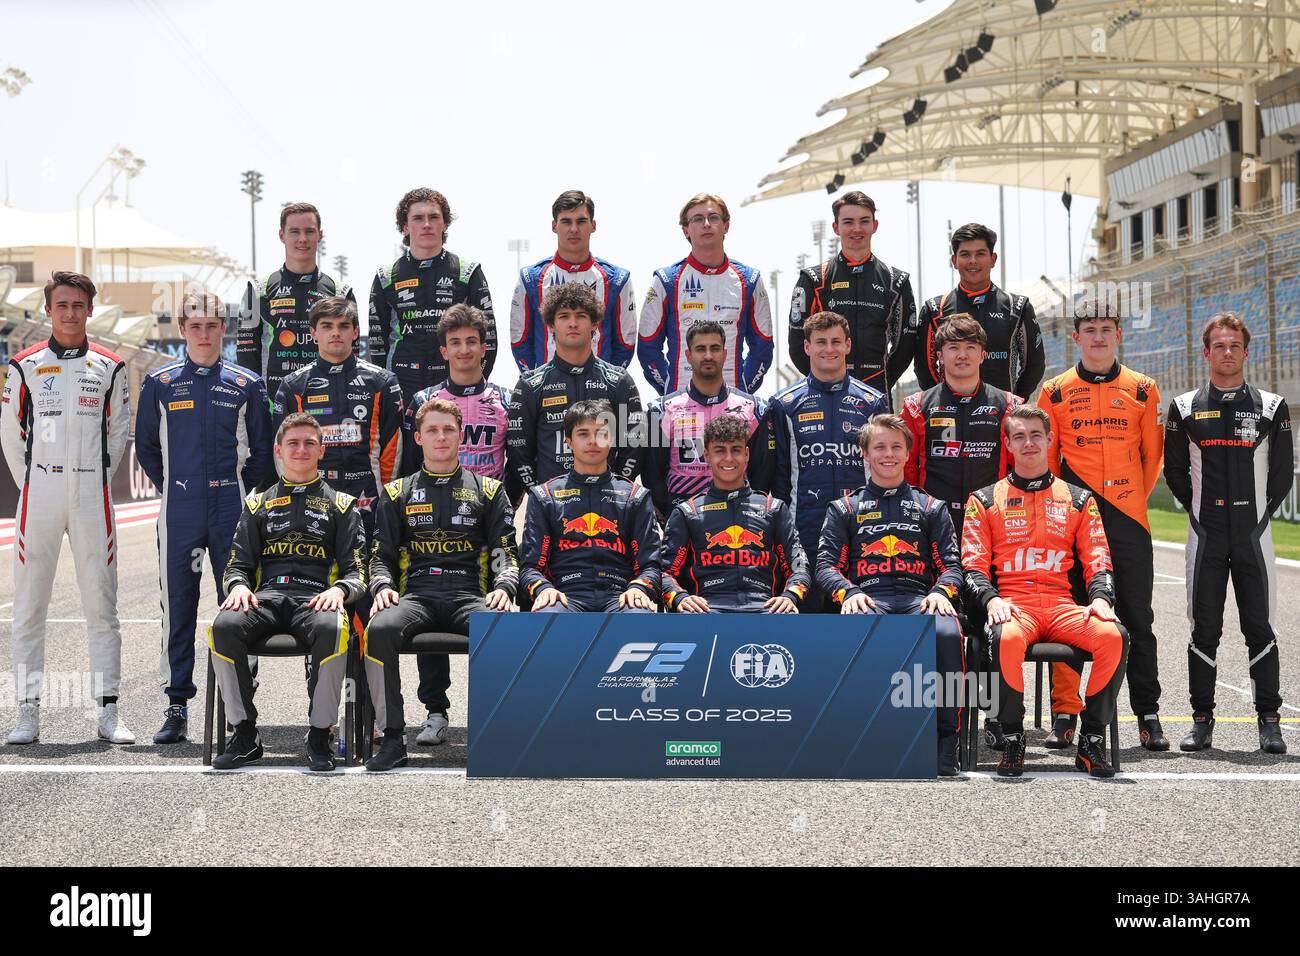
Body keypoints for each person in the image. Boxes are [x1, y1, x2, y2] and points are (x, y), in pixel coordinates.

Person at [135, 293, 274, 745]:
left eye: (212, 325)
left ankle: (241, 705)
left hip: (232, 509)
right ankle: (176, 705)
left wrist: (238, 493)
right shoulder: (159, 382)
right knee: (177, 608)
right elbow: (147, 451)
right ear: (182, 329)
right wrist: (177, 486)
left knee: (239, 604)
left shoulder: (246, 383)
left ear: (224, 329)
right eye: (195, 326)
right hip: (179, 510)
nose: (204, 333)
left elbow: (260, 453)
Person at [2, 271, 133, 745]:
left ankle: (108, 712)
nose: (70, 313)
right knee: (28, 607)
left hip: (90, 497)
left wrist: (91, 478)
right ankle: (28, 712)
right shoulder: (24, 364)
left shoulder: (112, 366)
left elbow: (118, 434)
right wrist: (35, 482)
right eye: (62, 304)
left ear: (90, 310)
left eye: (79, 305)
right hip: (40, 495)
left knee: (102, 605)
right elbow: (10, 435)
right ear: (48, 309)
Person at [962, 405, 1128, 778]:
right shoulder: (984, 499)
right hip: (1014, 605)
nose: (1029, 443)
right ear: (1007, 444)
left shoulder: (1079, 498)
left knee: (1114, 636)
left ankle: (1091, 742)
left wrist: (1101, 599)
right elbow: (972, 564)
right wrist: (991, 601)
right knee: (1003, 638)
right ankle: (1013, 738)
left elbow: (1098, 558)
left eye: (1036, 435)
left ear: (1051, 439)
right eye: (1019, 436)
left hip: (1061, 606)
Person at [364, 398, 519, 769]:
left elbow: (506, 551)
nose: (441, 437)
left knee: (508, 627)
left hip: (469, 594)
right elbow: (380, 553)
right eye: (432, 430)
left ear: (460, 435)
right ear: (418, 437)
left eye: (448, 429)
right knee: (379, 628)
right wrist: (383, 585)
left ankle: (497, 735)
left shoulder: (490, 490)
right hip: (417, 595)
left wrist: (504, 586)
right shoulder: (396, 492)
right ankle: (392, 739)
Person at [1038, 301, 1166, 751]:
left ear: (1119, 335)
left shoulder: (1143, 388)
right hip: (1074, 518)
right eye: (1088, 329)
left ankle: (1148, 713)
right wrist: (1077, 507)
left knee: (1138, 617)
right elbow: (1049, 466)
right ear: (1075, 338)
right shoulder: (1054, 391)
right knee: (1070, 614)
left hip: (1129, 516)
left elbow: (1152, 458)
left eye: (1105, 329)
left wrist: (1126, 498)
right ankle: (1066, 713)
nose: (1097, 337)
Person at [209, 413, 367, 771]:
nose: (301, 449)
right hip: (265, 598)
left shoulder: (342, 505)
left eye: (309, 443)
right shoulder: (257, 503)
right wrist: (236, 586)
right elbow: (237, 565)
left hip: (316, 598)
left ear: (321, 450)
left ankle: (319, 734)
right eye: (292, 443)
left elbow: (359, 571)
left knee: (334, 629)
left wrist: (340, 590)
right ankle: (245, 734)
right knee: (222, 627)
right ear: (278, 450)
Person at [1165, 312, 1293, 755]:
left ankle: (1269, 721)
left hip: (1253, 533)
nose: (1226, 353)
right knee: (1204, 629)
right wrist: (1205, 513)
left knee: (1260, 627)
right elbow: (1176, 475)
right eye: (1218, 346)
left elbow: (1280, 479)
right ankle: (1201, 721)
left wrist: (1254, 516)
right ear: (1206, 352)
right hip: (1206, 533)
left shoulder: (1272, 407)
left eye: (1233, 346)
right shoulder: (1183, 408)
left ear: (1245, 351)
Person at [816, 414, 965, 776]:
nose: (888, 454)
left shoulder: (932, 507)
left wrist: (941, 591)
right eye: (879, 447)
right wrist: (847, 592)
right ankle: (863, 735)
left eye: (896, 447)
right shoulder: (844, 508)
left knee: (948, 634)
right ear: (864, 454)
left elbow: (953, 565)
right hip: (869, 598)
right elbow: (824, 566)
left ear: (907, 453)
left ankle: (946, 741)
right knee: (856, 630)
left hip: (920, 599)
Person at [769, 311, 889, 608]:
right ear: (807, 347)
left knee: (858, 617)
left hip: (860, 527)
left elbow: (885, 467)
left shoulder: (873, 402)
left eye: (836, 341)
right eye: (820, 342)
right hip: (804, 527)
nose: (829, 349)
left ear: (848, 345)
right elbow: (778, 475)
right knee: (807, 619)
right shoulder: (784, 404)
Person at [274, 296, 404, 539]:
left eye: (344, 326)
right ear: (313, 332)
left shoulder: (382, 382)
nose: (336, 333)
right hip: (313, 495)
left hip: (368, 495)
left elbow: (392, 450)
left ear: (355, 332)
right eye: (327, 326)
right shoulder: (293, 386)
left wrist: (387, 498)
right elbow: (282, 451)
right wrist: (294, 495)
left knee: (368, 573)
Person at [520, 400, 660, 613]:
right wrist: (544, 589)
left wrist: (639, 589)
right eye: (583, 434)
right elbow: (530, 567)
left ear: (612, 439)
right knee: (548, 613)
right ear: (568, 441)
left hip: (620, 596)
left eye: (601, 433)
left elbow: (651, 565)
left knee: (639, 614)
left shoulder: (635, 496)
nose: (593, 441)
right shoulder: (544, 496)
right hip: (564, 596)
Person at [660, 414, 808, 613]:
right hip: (706, 610)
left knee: (789, 616)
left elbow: (799, 564)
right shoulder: (688, 512)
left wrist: (790, 596)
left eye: (735, 450)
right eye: (720, 451)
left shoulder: (773, 508)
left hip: (764, 609)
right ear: (706, 455)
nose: (728, 458)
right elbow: (663, 572)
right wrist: (679, 597)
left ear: (747, 454)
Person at [507, 283, 644, 491]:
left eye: (580, 316)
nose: (573, 323)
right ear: (551, 325)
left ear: (594, 324)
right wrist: (542, 496)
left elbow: (635, 445)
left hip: (609, 500)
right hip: (552, 505)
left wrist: (618, 492)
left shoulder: (620, 381)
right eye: (564, 316)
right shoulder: (530, 385)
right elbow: (519, 452)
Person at [787, 191, 917, 406]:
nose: (856, 229)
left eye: (864, 221)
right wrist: (823, 377)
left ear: (874, 226)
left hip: (875, 392)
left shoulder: (896, 281)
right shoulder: (814, 279)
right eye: (848, 222)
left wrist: (882, 380)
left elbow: (906, 345)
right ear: (836, 228)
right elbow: (797, 343)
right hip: (823, 392)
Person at [369, 187, 497, 404]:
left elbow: (489, 338)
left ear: (445, 223)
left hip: (455, 383)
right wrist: (388, 386)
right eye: (418, 218)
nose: (426, 224)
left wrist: (474, 383)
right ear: (405, 227)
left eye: (434, 217)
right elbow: (377, 342)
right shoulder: (386, 276)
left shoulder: (468, 272)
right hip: (403, 383)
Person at [637, 192, 773, 395]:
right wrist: (670, 391)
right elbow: (648, 349)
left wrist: (743, 391)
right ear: (686, 230)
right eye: (698, 219)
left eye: (714, 217)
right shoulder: (666, 280)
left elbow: (762, 347)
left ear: (726, 226)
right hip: (681, 405)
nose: (706, 224)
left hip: (734, 404)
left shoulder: (750, 280)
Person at [902, 315, 1021, 540]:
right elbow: (907, 469)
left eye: (970, 347)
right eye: (953, 347)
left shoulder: (1009, 405)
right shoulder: (916, 406)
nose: (962, 355)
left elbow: (1019, 467)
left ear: (982, 355)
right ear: (940, 357)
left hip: (994, 520)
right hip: (934, 523)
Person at [641, 319, 771, 517]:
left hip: (740, 517)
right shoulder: (662, 410)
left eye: (715, 348)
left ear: (725, 354)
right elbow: (652, 476)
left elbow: (762, 474)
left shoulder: (753, 408)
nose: (708, 355)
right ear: (688, 355)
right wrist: (671, 515)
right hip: (682, 519)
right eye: (701, 349)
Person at [237, 201, 352, 406]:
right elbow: (246, 356)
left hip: (328, 402)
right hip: (273, 404)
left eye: (309, 231)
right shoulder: (255, 290)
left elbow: (352, 355)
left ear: (320, 235)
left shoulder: (340, 292)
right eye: (294, 232)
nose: (302, 239)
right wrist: (257, 403)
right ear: (282, 235)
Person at [913, 223, 1045, 400]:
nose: (973, 261)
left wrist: (1013, 403)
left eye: (980, 254)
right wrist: (942, 403)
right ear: (954, 261)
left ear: (993, 259)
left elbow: (1034, 365)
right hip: (950, 415)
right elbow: (924, 367)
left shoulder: (1017, 307)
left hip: (1004, 417)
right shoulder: (935, 309)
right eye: (965, 254)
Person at [510, 190, 636, 373]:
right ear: (554, 226)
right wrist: (537, 382)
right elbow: (519, 341)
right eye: (566, 221)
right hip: (547, 392)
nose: (574, 229)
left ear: (593, 225)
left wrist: (610, 382)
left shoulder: (617, 279)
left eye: (581, 221)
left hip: (599, 393)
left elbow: (626, 344)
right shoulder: (531, 278)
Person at [402, 305, 512, 482]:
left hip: (491, 506)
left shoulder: (508, 400)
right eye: (455, 342)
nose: (464, 350)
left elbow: (518, 463)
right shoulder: (423, 400)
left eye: (471, 341)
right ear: (444, 352)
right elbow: (409, 466)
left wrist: (504, 506)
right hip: (436, 505)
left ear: (483, 348)